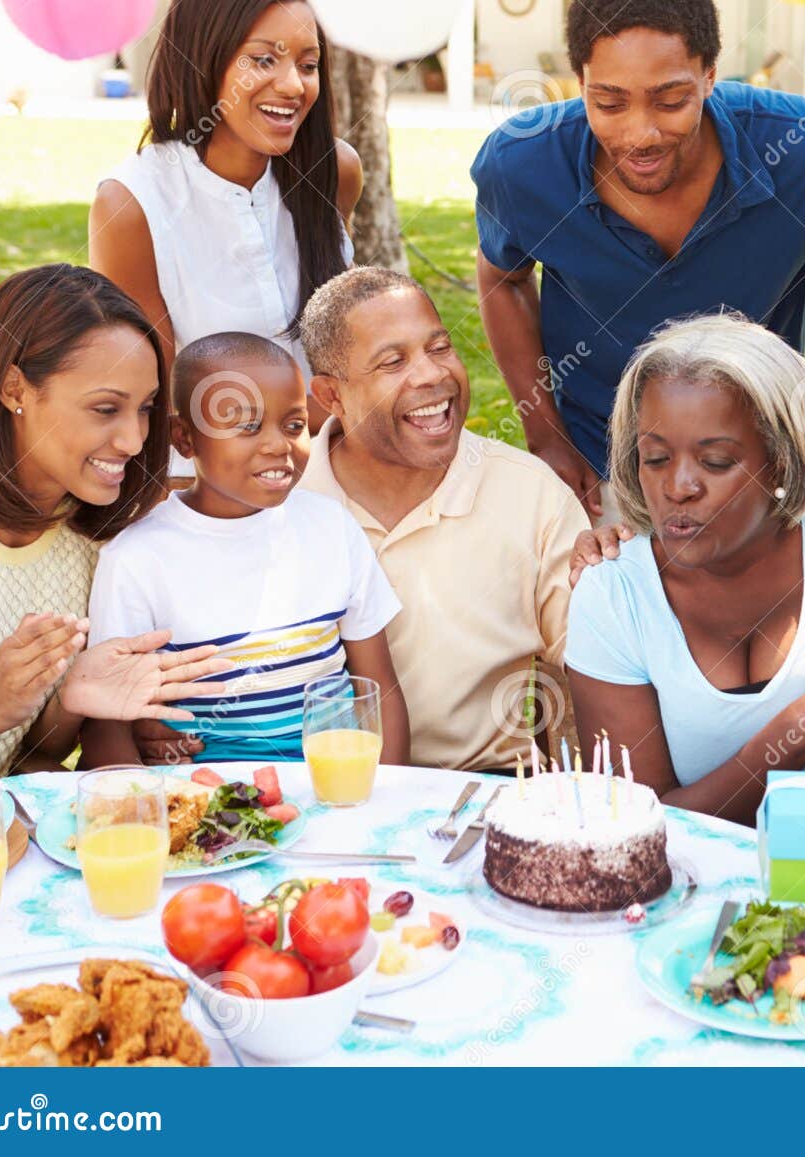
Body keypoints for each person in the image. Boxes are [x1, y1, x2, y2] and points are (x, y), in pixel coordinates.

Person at [131, 269, 589, 772]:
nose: (432, 375)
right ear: (330, 397)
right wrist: (156, 726)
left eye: (439, 348)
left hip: (481, 789)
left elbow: (603, 654)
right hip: (318, 791)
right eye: (393, 361)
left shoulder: (530, 490)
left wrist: (626, 569)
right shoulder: (271, 502)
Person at [471, 0, 805, 521]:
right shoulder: (521, 166)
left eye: (670, 101)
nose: (640, 134)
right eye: (610, 103)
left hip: (762, 471)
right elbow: (502, 278)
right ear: (580, 81)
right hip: (597, 471)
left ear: (709, 76)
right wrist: (546, 435)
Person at [565, 315, 805, 824]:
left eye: (715, 461)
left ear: (783, 459)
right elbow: (636, 827)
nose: (680, 487)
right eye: (655, 459)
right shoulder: (614, 592)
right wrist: (801, 730)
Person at [0, 265, 235, 780]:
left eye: (146, 408)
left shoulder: (89, 548)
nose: (134, 440)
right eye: (106, 408)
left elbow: (35, 759)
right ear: (13, 389)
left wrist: (77, 699)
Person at [81, 333, 409, 767]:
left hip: (335, 787)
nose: (278, 445)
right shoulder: (137, 559)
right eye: (247, 426)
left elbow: (378, 685)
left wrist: (387, 798)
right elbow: (108, 725)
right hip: (208, 805)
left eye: (294, 426)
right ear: (184, 438)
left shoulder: (332, 527)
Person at [90, 0, 360, 435]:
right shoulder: (132, 205)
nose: (293, 85)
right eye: (263, 59)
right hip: (203, 484)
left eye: (308, 64)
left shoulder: (336, 171)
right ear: (203, 59)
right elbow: (151, 406)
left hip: (333, 461)